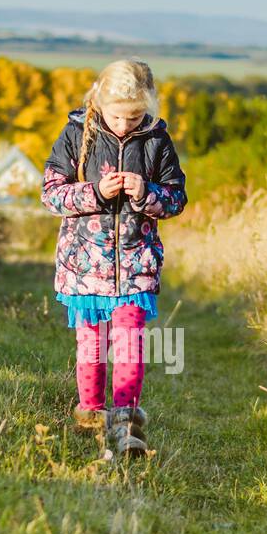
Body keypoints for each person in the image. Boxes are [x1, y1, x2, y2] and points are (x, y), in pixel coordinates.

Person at [41, 59, 187, 456]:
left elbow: (176, 200)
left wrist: (145, 193)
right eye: (117, 116)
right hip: (85, 266)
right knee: (90, 345)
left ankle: (126, 424)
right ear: (99, 102)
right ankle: (90, 415)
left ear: (148, 108)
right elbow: (52, 195)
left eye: (135, 116)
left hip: (136, 263)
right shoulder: (77, 134)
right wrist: (95, 192)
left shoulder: (157, 141)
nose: (124, 125)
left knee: (129, 344)